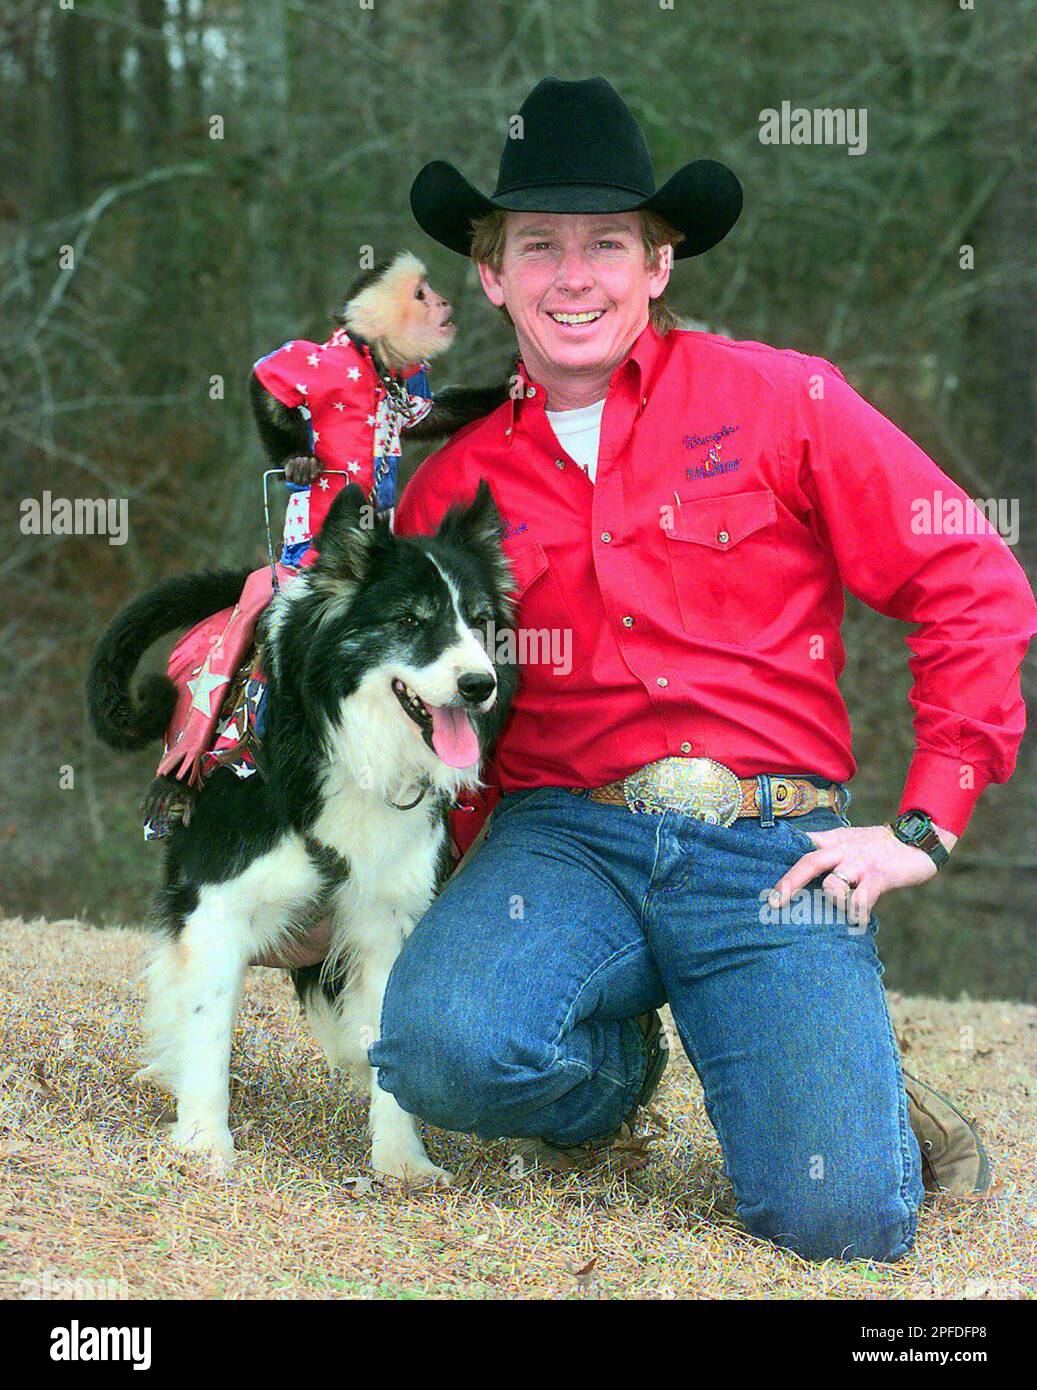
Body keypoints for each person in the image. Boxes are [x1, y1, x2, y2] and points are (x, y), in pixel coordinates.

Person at [298, 78, 1036, 1261]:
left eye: (607, 244)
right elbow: (431, 721)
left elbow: (971, 580)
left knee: (838, 1220)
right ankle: (611, 1066)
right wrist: (343, 863)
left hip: (764, 841)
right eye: (538, 247)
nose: (572, 276)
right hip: (563, 842)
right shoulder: (452, 488)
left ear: (659, 264)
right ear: (491, 275)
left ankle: (831, 1062)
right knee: (441, 1050)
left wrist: (925, 820)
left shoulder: (782, 400)